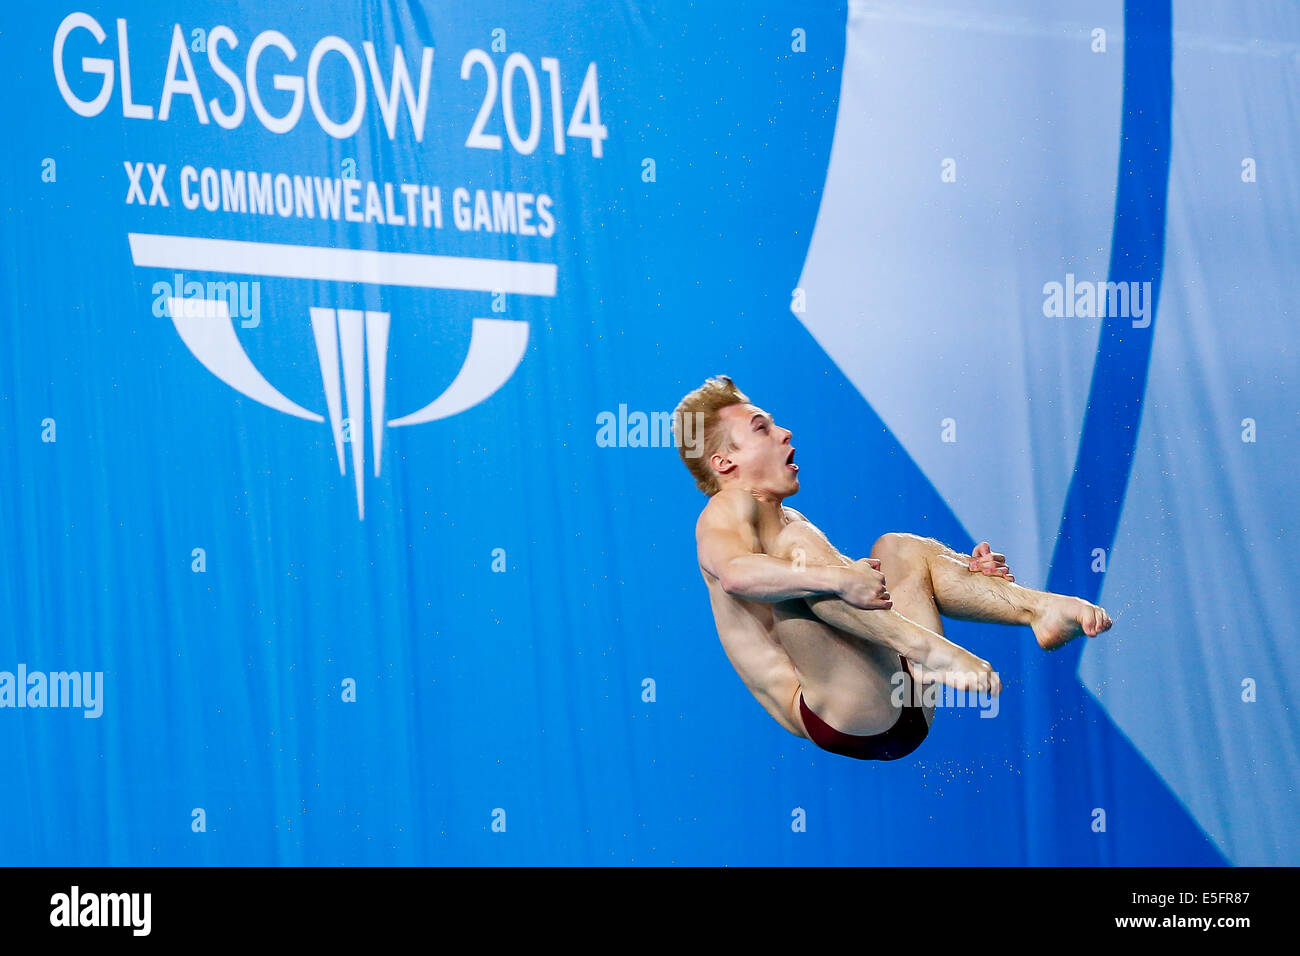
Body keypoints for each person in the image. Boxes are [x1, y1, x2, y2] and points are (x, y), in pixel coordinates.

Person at [674, 375, 1113, 761]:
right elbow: (734, 573)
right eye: (761, 429)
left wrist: (966, 571)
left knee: (898, 548)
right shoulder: (724, 510)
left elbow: (863, 603)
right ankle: (932, 653)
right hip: (846, 713)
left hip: (903, 694)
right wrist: (840, 578)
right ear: (724, 463)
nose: (784, 433)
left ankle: (1037, 610)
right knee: (802, 558)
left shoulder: (792, 521)